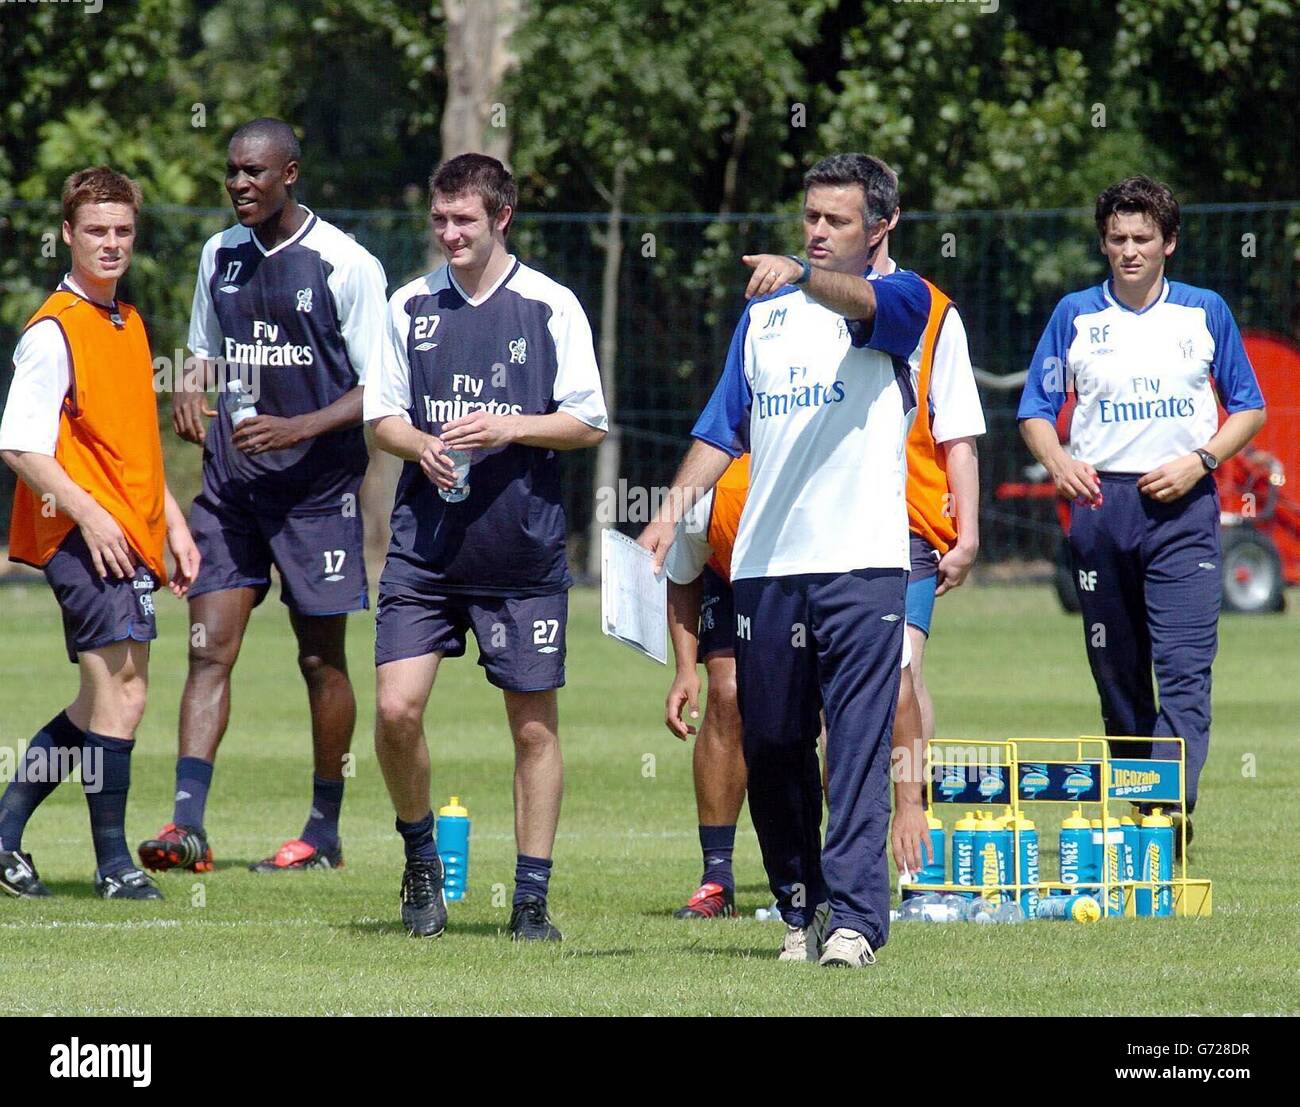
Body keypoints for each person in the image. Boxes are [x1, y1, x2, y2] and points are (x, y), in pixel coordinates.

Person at [640, 153, 930, 968]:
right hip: (767, 569)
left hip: (862, 564)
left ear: (881, 226)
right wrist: (666, 515)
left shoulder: (902, 299)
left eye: (836, 220)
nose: (819, 231)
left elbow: (856, 296)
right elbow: (719, 428)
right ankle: (802, 907)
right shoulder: (761, 318)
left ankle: (857, 922)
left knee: (860, 742)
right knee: (768, 741)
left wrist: (804, 270)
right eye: (810, 218)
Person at [138, 118, 389, 875]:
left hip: (317, 494)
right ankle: (187, 827)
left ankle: (323, 829)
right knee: (208, 648)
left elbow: (381, 390)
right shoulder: (219, 256)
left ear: (290, 174)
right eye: (231, 173)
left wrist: (298, 428)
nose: (239, 185)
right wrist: (187, 382)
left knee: (320, 658)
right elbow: (202, 348)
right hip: (231, 492)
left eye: (254, 172)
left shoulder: (345, 264)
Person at [366, 153, 607, 942]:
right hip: (425, 552)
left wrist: (512, 425)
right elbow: (382, 419)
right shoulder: (408, 307)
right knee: (397, 708)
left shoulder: (551, 305)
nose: (449, 233)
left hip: (521, 555)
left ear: (502, 218)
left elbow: (586, 420)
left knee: (533, 727)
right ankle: (420, 858)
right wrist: (419, 447)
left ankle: (531, 899)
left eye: (464, 220)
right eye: (439, 220)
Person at [1018, 175, 1266, 852]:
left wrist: (1202, 459)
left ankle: (1165, 810)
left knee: (1185, 667)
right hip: (1102, 510)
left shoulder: (1204, 312)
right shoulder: (1074, 316)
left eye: (1143, 238)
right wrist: (1061, 461)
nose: (1129, 250)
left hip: (1185, 508)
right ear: (1104, 243)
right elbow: (1034, 413)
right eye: (1117, 239)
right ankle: (1143, 805)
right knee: (1118, 673)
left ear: (1169, 243)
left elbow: (1249, 406)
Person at [0, 167, 201, 901]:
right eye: (96, 231)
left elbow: (134, 443)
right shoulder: (54, 330)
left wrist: (172, 521)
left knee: (100, 704)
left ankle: (4, 830)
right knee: (123, 695)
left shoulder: (130, 320)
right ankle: (114, 863)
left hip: (127, 536)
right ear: (67, 234)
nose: (111, 243)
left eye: (121, 230)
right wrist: (87, 512)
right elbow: (19, 445)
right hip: (79, 537)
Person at [663, 454, 929, 919]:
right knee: (728, 694)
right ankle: (718, 876)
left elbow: (900, 694)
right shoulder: (713, 500)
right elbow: (682, 576)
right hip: (737, 582)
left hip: (819, 579)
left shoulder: (840, 531)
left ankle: (835, 875)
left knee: (842, 720)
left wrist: (910, 805)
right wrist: (686, 669)